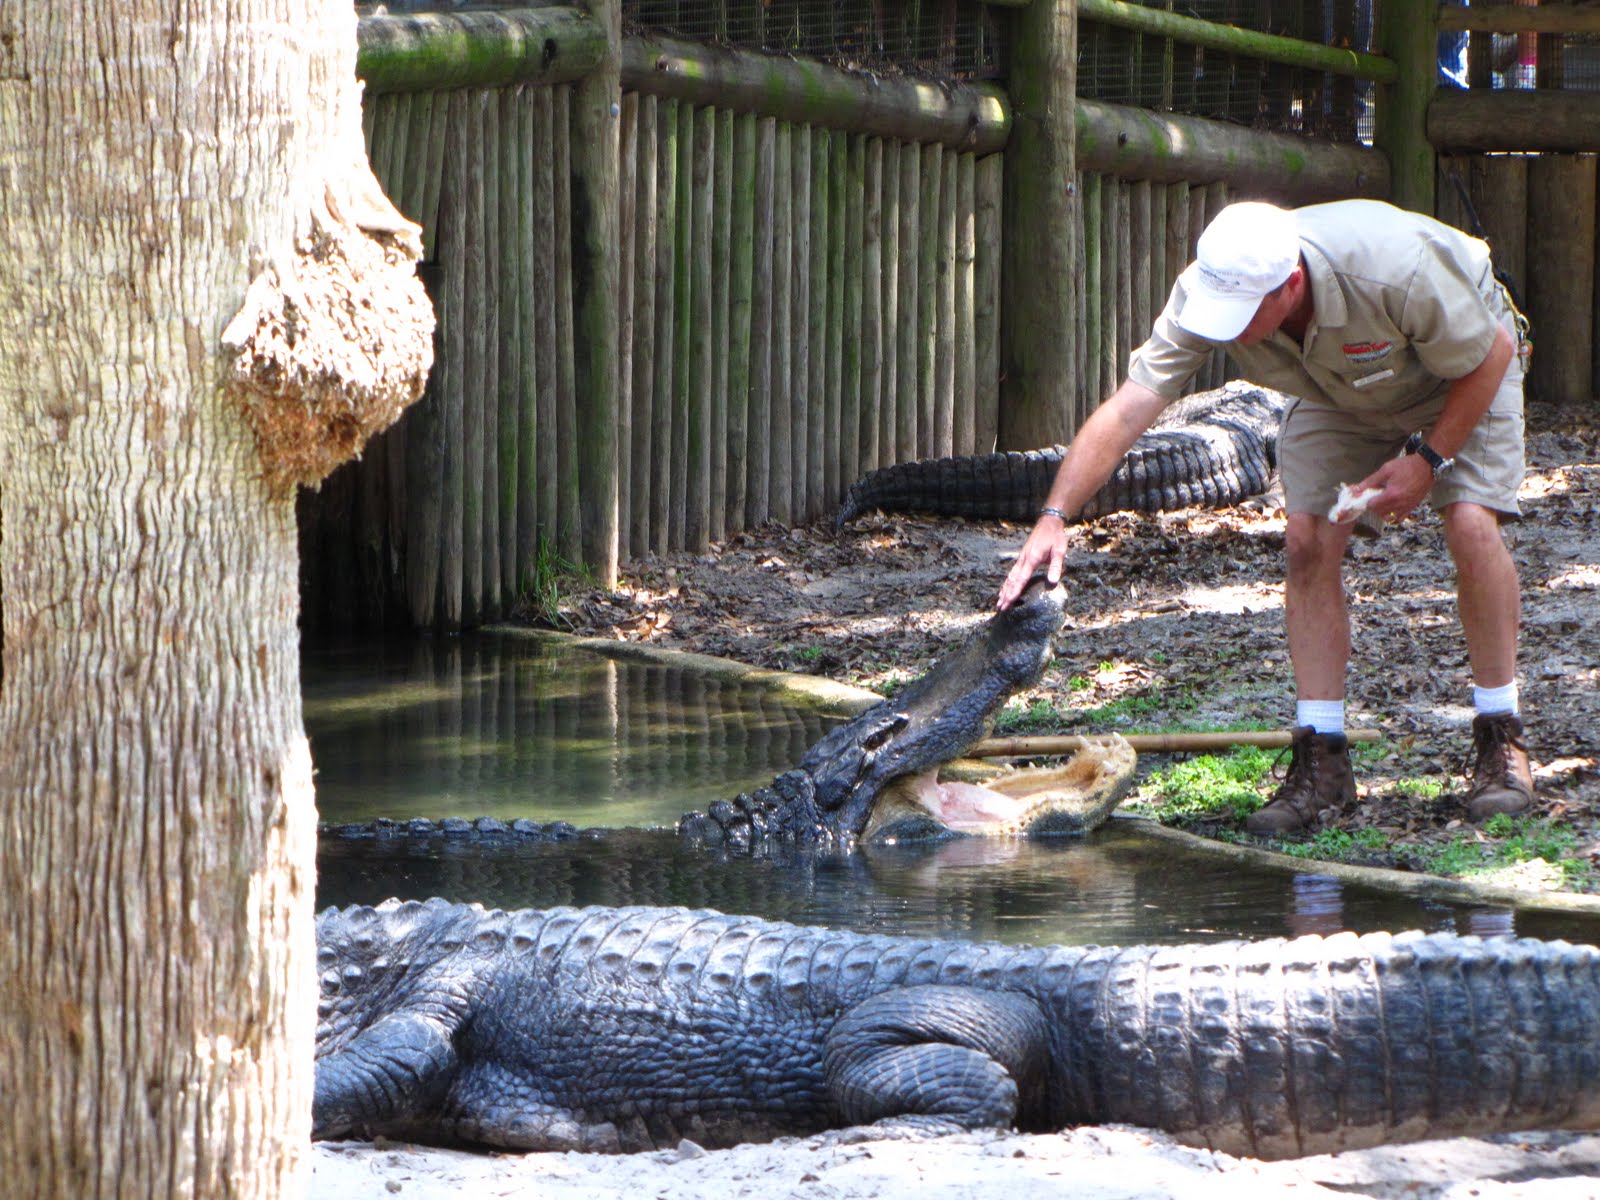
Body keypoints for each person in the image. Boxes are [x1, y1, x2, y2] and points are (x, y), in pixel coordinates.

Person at [996, 198, 1534, 835]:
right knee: (1306, 539)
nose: (1229, 330)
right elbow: (1129, 409)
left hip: (1466, 367)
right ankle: (1323, 760)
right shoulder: (1213, 289)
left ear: (1293, 285)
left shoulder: (1395, 268)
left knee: (1469, 523)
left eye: (1246, 314)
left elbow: (1490, 352)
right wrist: (1054, 516)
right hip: (1342, 391)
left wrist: (1426, 459)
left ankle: (1502, 740)